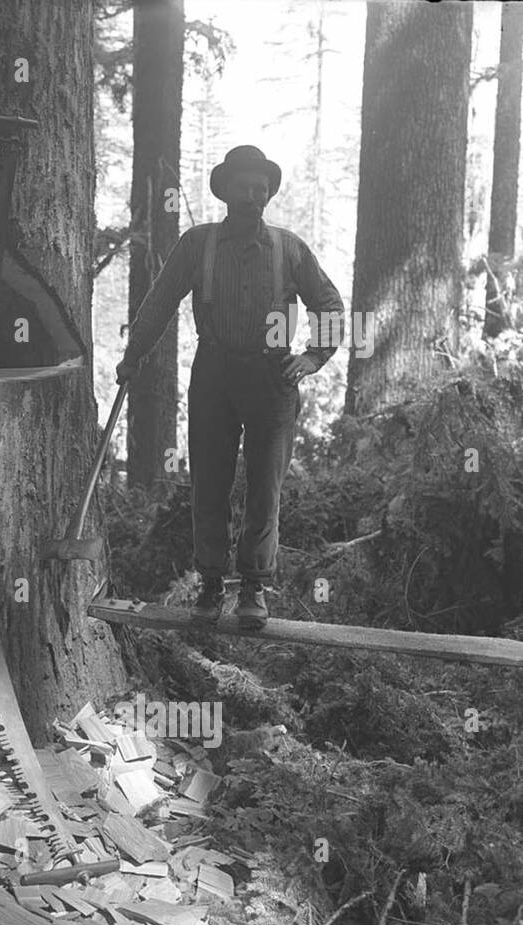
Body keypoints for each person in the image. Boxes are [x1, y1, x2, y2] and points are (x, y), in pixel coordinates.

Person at [115, 145, 345, 629]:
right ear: (226, 191)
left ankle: (255, 589)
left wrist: (312, 357)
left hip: (274, 378)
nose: (252, 194)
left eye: (260, 186)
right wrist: (134, 356)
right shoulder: (198, 245)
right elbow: (159, 302)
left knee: (265, 486)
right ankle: (211, 584)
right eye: (244, 185)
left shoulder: (290, 248)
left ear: (267, 193)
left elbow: (329, 304)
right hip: (214, 372)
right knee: (210, 482)